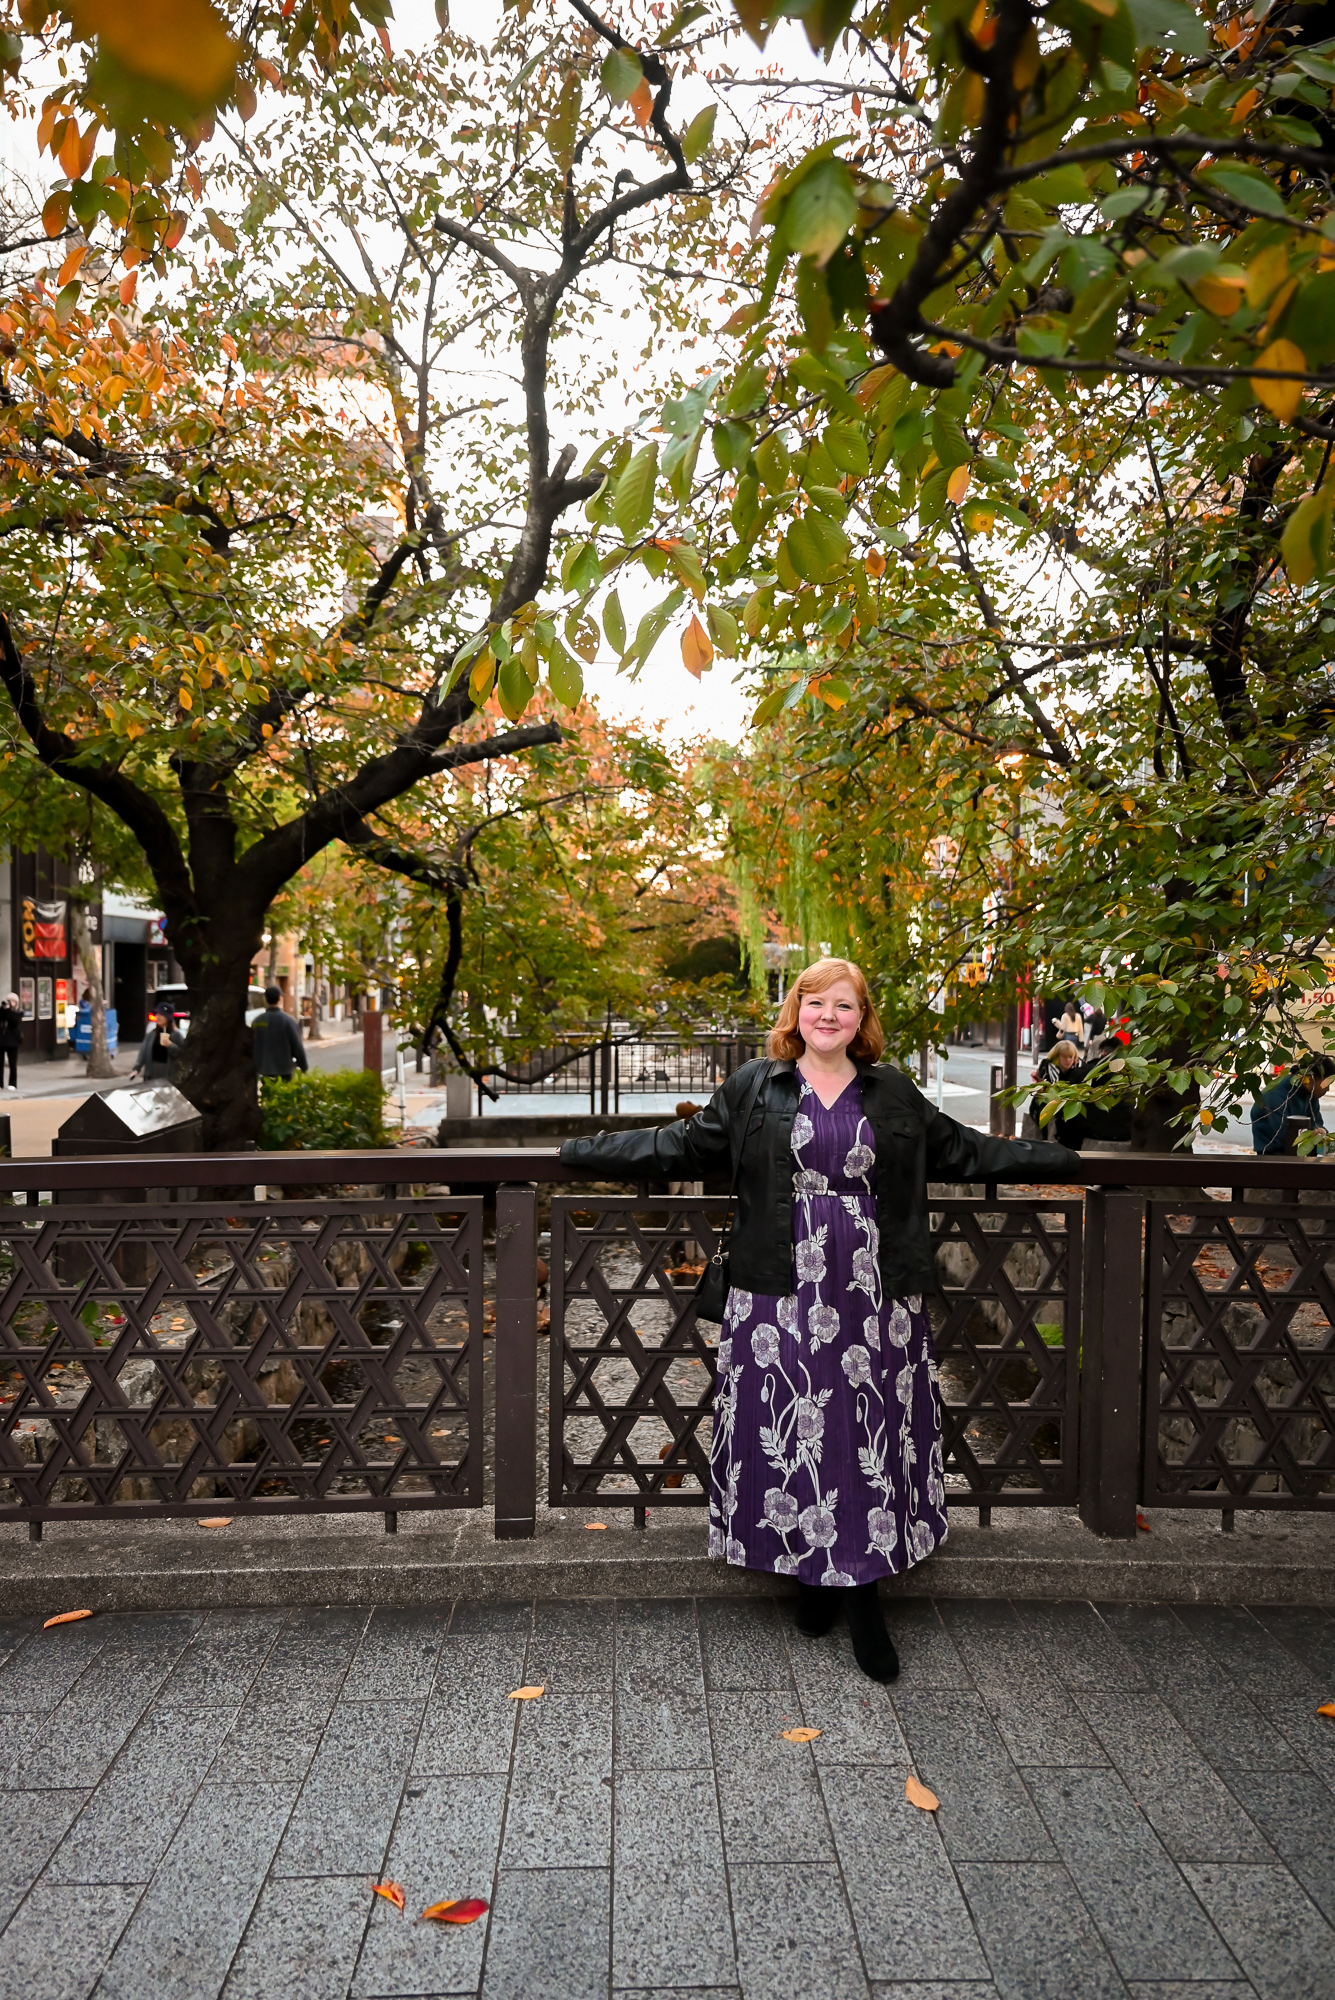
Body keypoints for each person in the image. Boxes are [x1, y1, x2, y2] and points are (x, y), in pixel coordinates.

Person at [559, 956, 1081, 1683]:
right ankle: (807, 1572)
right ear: (795, 1013)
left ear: (861, 1019)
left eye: (843, 1005)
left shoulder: (890, 1091)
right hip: (777, 1281)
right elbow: (681, 1144)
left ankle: (860, 1591)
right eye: (815, 1003)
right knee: (788, 1424)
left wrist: (1060, 1159)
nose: (828, 1016)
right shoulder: (756, 1085)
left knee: (863, 1425)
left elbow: (964, 1151)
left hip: (873, 1285)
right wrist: (579, 1151)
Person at [1251, 1054, 1335, 1155]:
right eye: (1326, 1084)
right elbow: (1283, 1135)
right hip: (1274, 1153)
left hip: (1301, 1149)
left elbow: (1317, 1122)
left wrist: (1321, 1131)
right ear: (1310, 1078)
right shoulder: (1276, 1095)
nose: (1327, 1089)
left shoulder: (1310, 1094)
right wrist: (1312, 1136)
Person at [1029, 1038, 1086, 1149]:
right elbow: (1043, 1091)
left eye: (1070, 1057)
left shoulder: (1081, 1067)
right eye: (1064, 1057)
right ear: (1056, 1057)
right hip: (1047, 1102)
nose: (1068, 1060)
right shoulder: (1047, 1066)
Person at [252, 983, 309, 1081]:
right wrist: (304, 1068)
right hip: (284, 1070)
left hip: (263, 1070)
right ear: (280, 998)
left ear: (265, 999)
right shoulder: (288, 1021)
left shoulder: (257, 1022)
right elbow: (297, 1046)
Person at [131, 1004, 184, 1083]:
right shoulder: (152, 1034)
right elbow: (143, 1052)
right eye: (157, 1014)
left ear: (168, 1018)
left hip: (167, 1073)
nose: (158, 1017)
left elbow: (180, 1054)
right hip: (151, 1072)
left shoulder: (176, 1034)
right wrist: (136, 1069)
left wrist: (170, 1045)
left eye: (162, 1015)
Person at [0, 991, 21, 1092]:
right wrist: (3, 1009)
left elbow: (14, 1022)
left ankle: (12, 1083)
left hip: (13, 1042)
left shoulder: (18, 1012)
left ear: (16, 1003)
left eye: (13, 1001)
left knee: (12, 1063)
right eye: (9, 1001)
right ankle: (0, 1083)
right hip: (2, 1040)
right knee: (0, 1064)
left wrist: (9, 1010)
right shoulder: (4, 1011)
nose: (11, 1003)